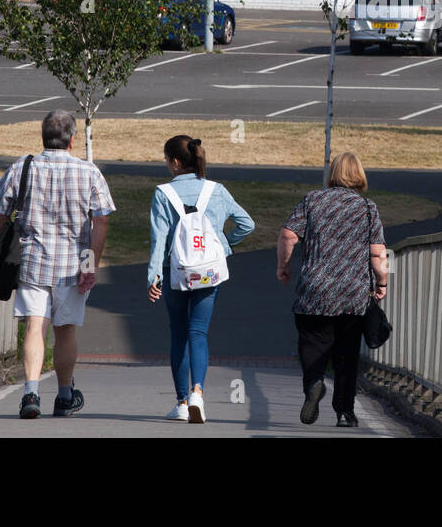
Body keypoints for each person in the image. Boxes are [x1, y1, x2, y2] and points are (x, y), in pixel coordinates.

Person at [0, 109, 115, 420]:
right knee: (65, 331)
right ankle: (64, 395)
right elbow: (100, 221)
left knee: (34, 327)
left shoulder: (23, 167)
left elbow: (0, 208)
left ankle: (30, 393)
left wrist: (8, 237)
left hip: (32, 260)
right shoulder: (89, 173)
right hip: (73, 266)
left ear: (43, 137)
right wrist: (91, 262)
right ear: (72, 140)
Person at [147, 135, 254, 423]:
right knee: (199, 333)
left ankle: (181, 402)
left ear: (176, 162)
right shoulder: (217, 190)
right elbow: (247, 223)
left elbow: (159, 240)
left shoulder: (162, 193)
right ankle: (198, 392)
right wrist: (225, 245)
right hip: (209, 272)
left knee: (179, 334)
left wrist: (153, 276)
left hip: (175, 272)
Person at [276, 151, 388, 428]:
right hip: (354, 293)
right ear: (359, 174)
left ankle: (314, 382)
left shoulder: (312, 200)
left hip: (315, 290)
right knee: (346, 354)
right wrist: (382, 282)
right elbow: (377, 253)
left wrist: (284, 266)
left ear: (333, 173)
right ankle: (344, 413)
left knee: (312, 343)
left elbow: (289, 235)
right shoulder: (366, 207)